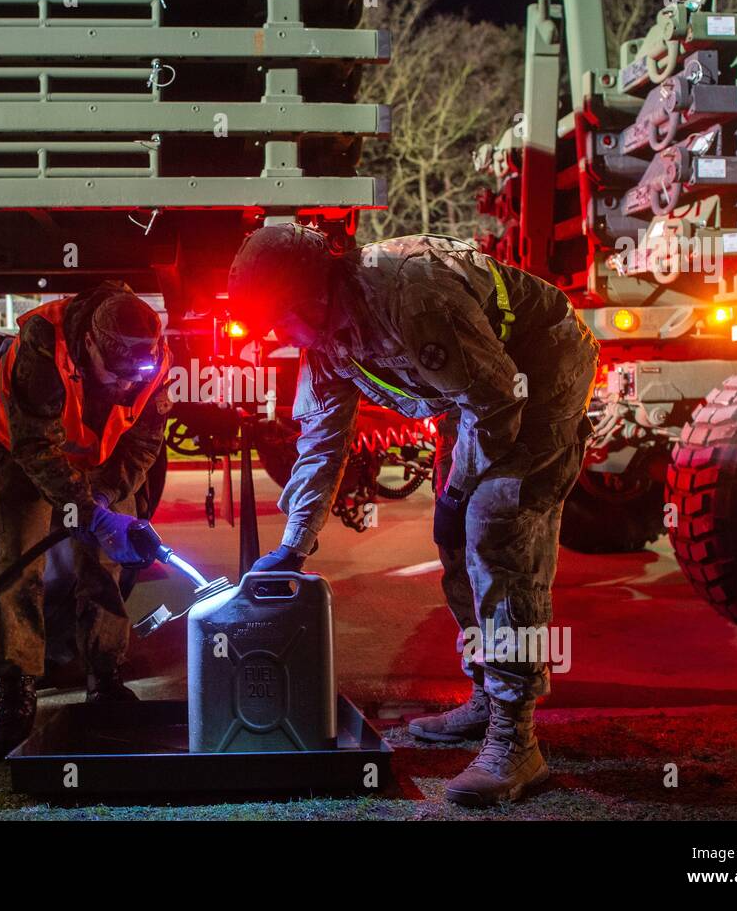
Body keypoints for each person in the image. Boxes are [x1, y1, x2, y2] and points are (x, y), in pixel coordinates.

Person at [228, 224, 599, 805]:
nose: (279, 333)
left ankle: (515, 740)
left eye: (281, 316)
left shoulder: (411, 295)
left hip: (538, 374)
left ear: (315, 291)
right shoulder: (323, 334)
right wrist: (294, 544)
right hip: (475, 392)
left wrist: (456, 494)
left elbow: (500, 400)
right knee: (452, 538)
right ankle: (486, 693)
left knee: (494, 529)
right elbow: (323, 438)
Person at [0, 281, 172, 758]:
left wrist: (108, 497)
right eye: (115, 377)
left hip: (101, 462)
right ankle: (16, 689)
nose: (126, 387)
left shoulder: (155, 360)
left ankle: (105, 678)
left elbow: (146, 441)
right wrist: (89, 513)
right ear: (89, 343)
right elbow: (36, 446)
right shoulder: (44, 344)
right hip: (26, 455)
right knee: (20, 565)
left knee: (106, 565)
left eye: (135, 379)